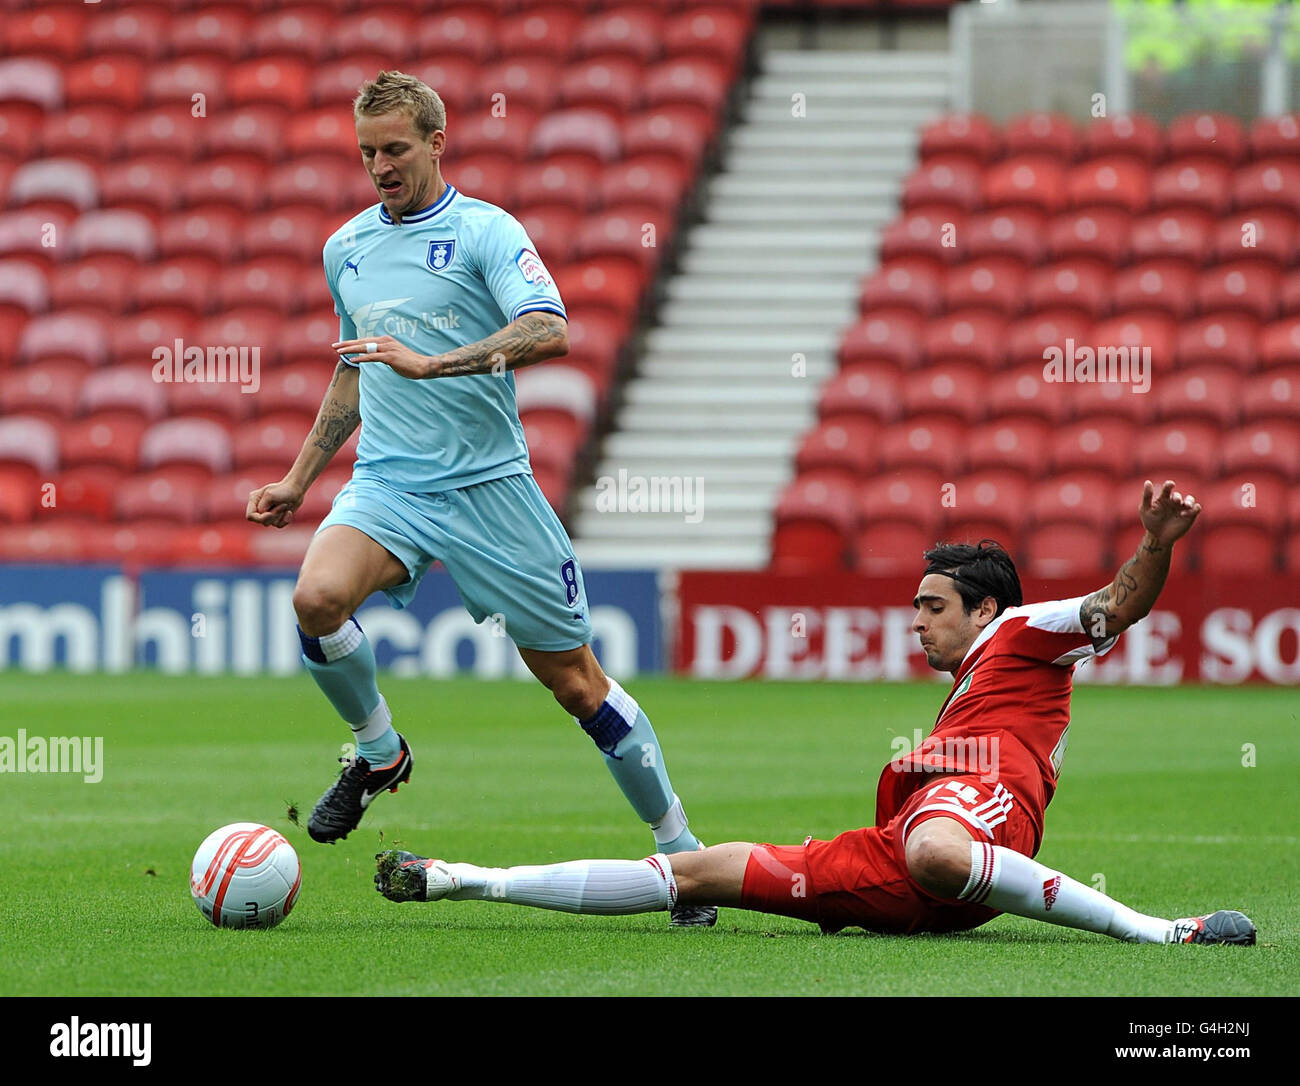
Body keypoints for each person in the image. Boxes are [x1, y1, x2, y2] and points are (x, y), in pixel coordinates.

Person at [375, 481, 1256, 946]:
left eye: (933, 606)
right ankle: (460, 877)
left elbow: (1116, 606)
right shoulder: (970, 681)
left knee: (938, 847)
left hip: (978, 815)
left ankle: (1161, 933)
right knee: (691, 874)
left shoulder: (1025, 632)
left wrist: (1152, 543)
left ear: (986, 609)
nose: (916, 621)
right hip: (898, 861)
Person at [246, 70, 714, 926]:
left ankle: (681, 850)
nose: (380, 165)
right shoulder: (345, 247)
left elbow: (551, 328)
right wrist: (299, 478)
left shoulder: (485, 231)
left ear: (435, 141)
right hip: (389, 483)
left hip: (491, 489)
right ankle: (378, 753)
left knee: (577, 685)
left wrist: (435, 361)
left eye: (394, 148)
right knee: (315, 598)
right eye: (366, 152)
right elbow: (354, 367)